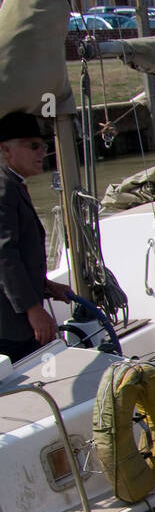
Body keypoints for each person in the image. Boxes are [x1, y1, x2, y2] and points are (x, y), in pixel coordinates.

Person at [0, 111, 70, 361]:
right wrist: (33, 309)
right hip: (11, 326)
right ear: (6, 149)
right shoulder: (4, 187)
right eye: (33, 146)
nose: (42, 152)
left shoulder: (11, 183)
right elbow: (4, 256)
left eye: (43, 145)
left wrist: (45, 285)